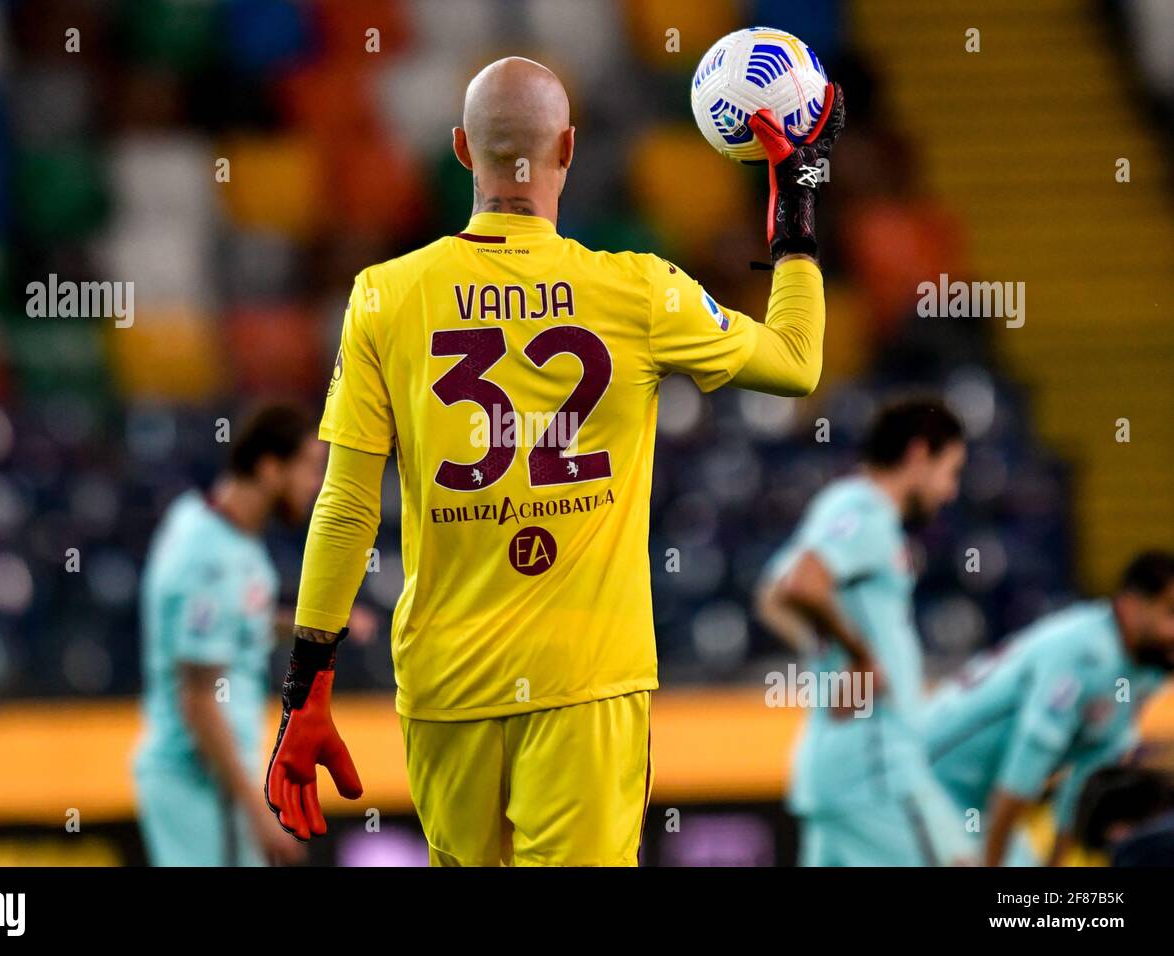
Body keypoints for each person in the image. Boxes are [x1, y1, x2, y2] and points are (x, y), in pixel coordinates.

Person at [264, 56, 846, 866]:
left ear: (463, 150)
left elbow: (346, 507)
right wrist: (798, 200)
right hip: (587, 681)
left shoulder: (384, 297)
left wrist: (306, 689)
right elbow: (795, 361)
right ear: (567, 148)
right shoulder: (640, 291)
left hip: (447, 683)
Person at [756, 398, 970, 866]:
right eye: (950, 471)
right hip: (876, 771)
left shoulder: (850, 509)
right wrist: (859, 657)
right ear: (918, 455)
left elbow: (773, 594)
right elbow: (800, 585)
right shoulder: (864, 507)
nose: (950, 491)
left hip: (835, 771)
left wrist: (828, 650)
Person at [134, 404, 326, 866]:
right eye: (309, 467)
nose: (315, 485)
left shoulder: (199, 521)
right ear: (269, 467)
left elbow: (227, 622)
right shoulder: (213, 559)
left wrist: (308, 628)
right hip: (203, 785)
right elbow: (199, 699)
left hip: (204, 784)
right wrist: (256, 810)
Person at [922, 550, 1174, 866]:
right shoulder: (1084, 654)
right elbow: (1021, 771)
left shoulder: (1142, 671)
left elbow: (1086, 780)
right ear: (1131, 606)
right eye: (1171, 613)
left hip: (978, 806)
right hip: (927, 783)